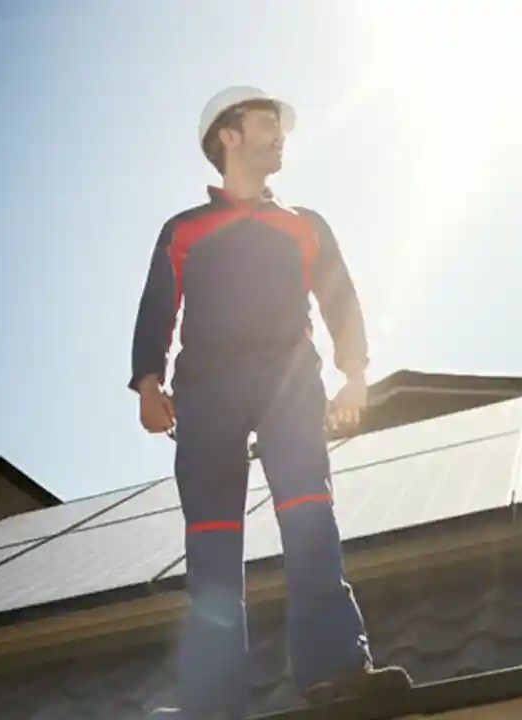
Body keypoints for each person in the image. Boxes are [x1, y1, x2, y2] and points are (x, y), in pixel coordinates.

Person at [130, 86, 411, 719]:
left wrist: (356, 373)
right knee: (211, 545)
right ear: (229, 136)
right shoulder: (184, 230)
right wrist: (148, 380)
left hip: (289, 384)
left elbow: (340, 298)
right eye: (267, 123)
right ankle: (212, 704)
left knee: (311, 517)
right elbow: (157, 305)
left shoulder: (304, 224)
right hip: (205, 394)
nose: (281, 134)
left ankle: (335, 667)